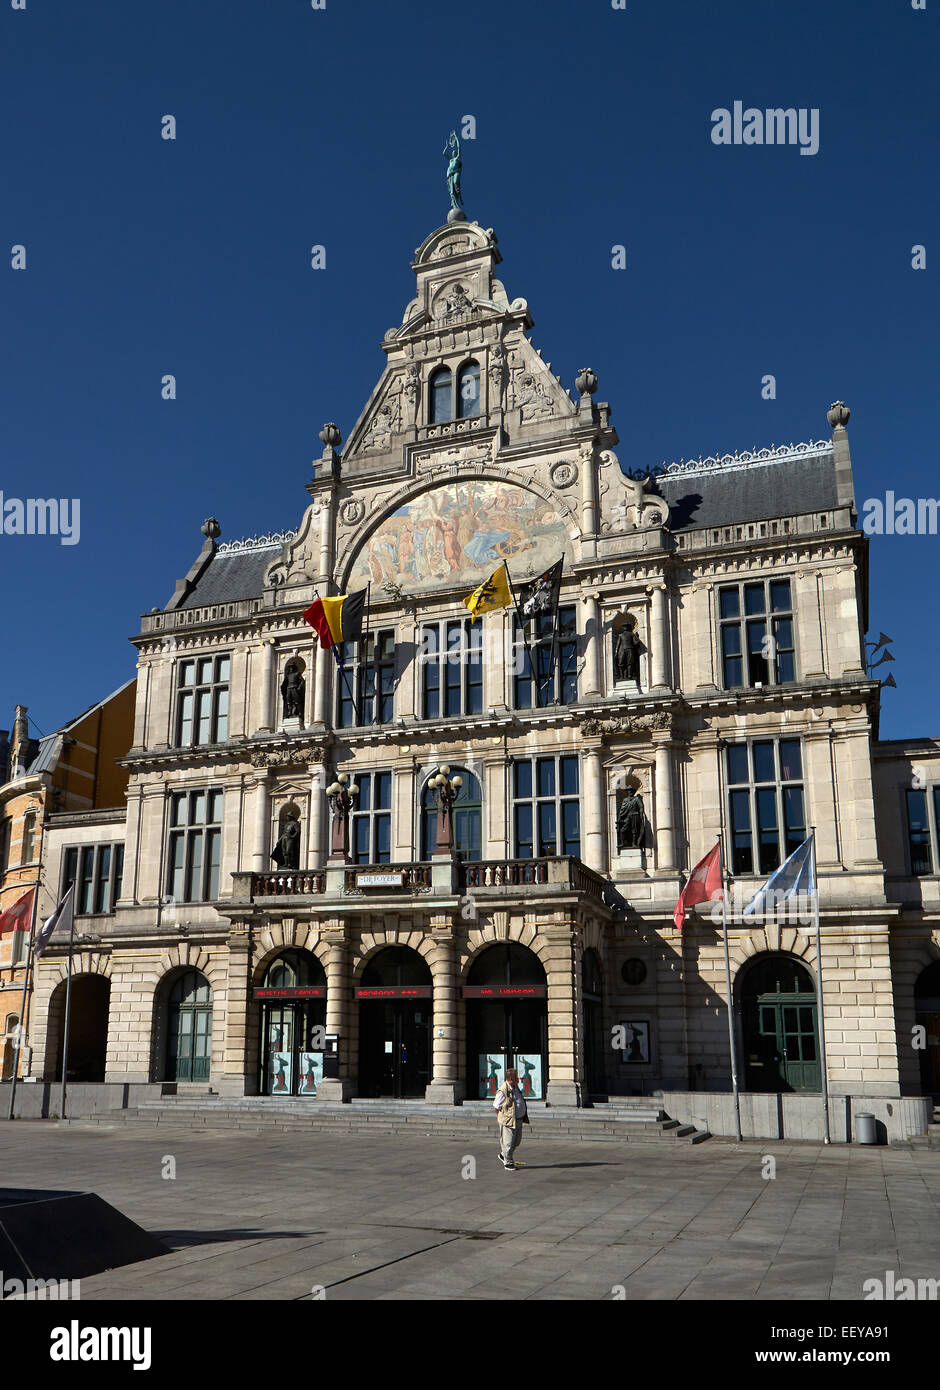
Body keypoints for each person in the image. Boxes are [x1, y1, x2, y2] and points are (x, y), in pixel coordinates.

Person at [493, 1066, 529, 1170]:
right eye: (516, 1077)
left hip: (518, 1119)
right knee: (508, 1142)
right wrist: (502, 1117)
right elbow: (496, 1106)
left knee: (516, 1141)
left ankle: (503, 1155)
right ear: (511, 1079)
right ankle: (508, 1162)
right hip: (508, 1120)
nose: (518, 1079)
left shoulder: (515, 1087)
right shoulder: (503, 1089)